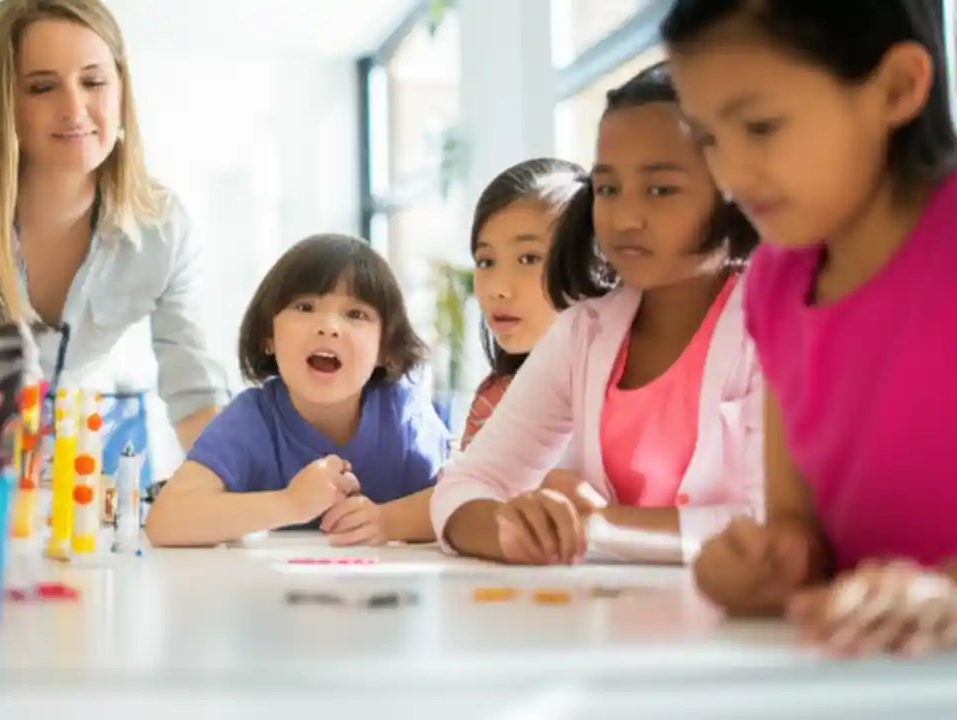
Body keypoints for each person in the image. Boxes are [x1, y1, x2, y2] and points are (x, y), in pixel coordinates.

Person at [664, 0, 957, 656]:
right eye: (709, 138)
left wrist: (945, 595)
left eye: (762, 127)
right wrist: (771, 559)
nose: (732, 176)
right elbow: (800, 524)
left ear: (898, 88)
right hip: (863, 677)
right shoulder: (774, 283)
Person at [0, 0, 227, 450]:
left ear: (121, 90)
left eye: (93, 82)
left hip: (69, 488)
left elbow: (197, 397)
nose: (75, 109)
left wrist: (230, 498)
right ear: (5, 103)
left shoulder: (163, 229)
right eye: (42, 87)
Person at [432, 63, 761, 566]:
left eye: (661, 189)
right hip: (603, 622)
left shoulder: (775, 328)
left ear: (735, 190)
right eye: (608, 189)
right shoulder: (582, 334)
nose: (626, 217)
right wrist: (512, 527)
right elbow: (466, 485)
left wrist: (598, 527)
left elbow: (775, 527)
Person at [146, 235, 450, 547]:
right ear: (268, 337)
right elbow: (165, 521)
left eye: (355, 314)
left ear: (385, 349)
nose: (329, 326)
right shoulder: (252, 419)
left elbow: (465, 501)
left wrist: (388, 521)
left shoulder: (404, 417)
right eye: (305, 307)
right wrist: (292, 503)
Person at [461, 157, 583, 449]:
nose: (497, 289)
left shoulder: (613, 398)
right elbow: (459, 491)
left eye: (528, 258)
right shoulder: (495, 398)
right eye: (486, 261)